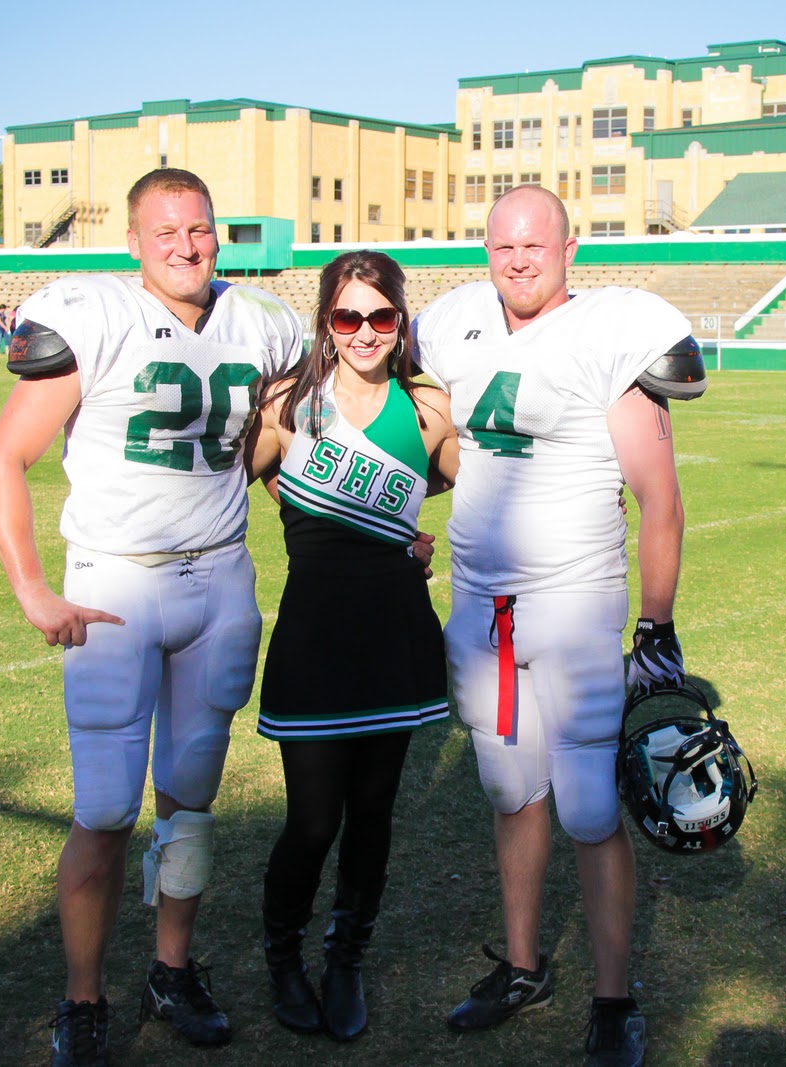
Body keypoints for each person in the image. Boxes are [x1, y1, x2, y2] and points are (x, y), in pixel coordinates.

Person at [0, 167, 305, 1067]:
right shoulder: (98, 316)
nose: (186, 246)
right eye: (166, 232)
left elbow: (278, 451)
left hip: (220, 581)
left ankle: (172, 968)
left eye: (199, 229)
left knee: (190, 799)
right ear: (133, 242)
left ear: (217, 233)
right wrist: (32, 590)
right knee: (106, 808)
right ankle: (84, 998)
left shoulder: (262, 322)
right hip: (116, 586)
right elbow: (1, 459)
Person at [413, 185, 705, 1067]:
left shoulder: (610, 332)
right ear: (486, 251)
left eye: (535, 245)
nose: (518, 260)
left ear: (569, 249)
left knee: (586, 804)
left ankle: (614, 998)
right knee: (511, 792)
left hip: (574, 607)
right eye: (503, 245)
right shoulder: (456, 325)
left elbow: (661, 500)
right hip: (483, 611)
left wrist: (655, 624)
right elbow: (436, 446)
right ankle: (523, 965)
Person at [243, 250, 458, 1042]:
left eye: (380, 316)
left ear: (400, 322)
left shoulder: (428, 407)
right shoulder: (288, 401)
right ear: (326, 322)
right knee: (311, 821)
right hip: (314, 636)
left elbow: (484, 484)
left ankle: (345, 959)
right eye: (348, 316)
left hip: (393, 635)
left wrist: (407, 537)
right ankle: (283, 960)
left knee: (372, 813)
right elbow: (223, 481)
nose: (365, 331)